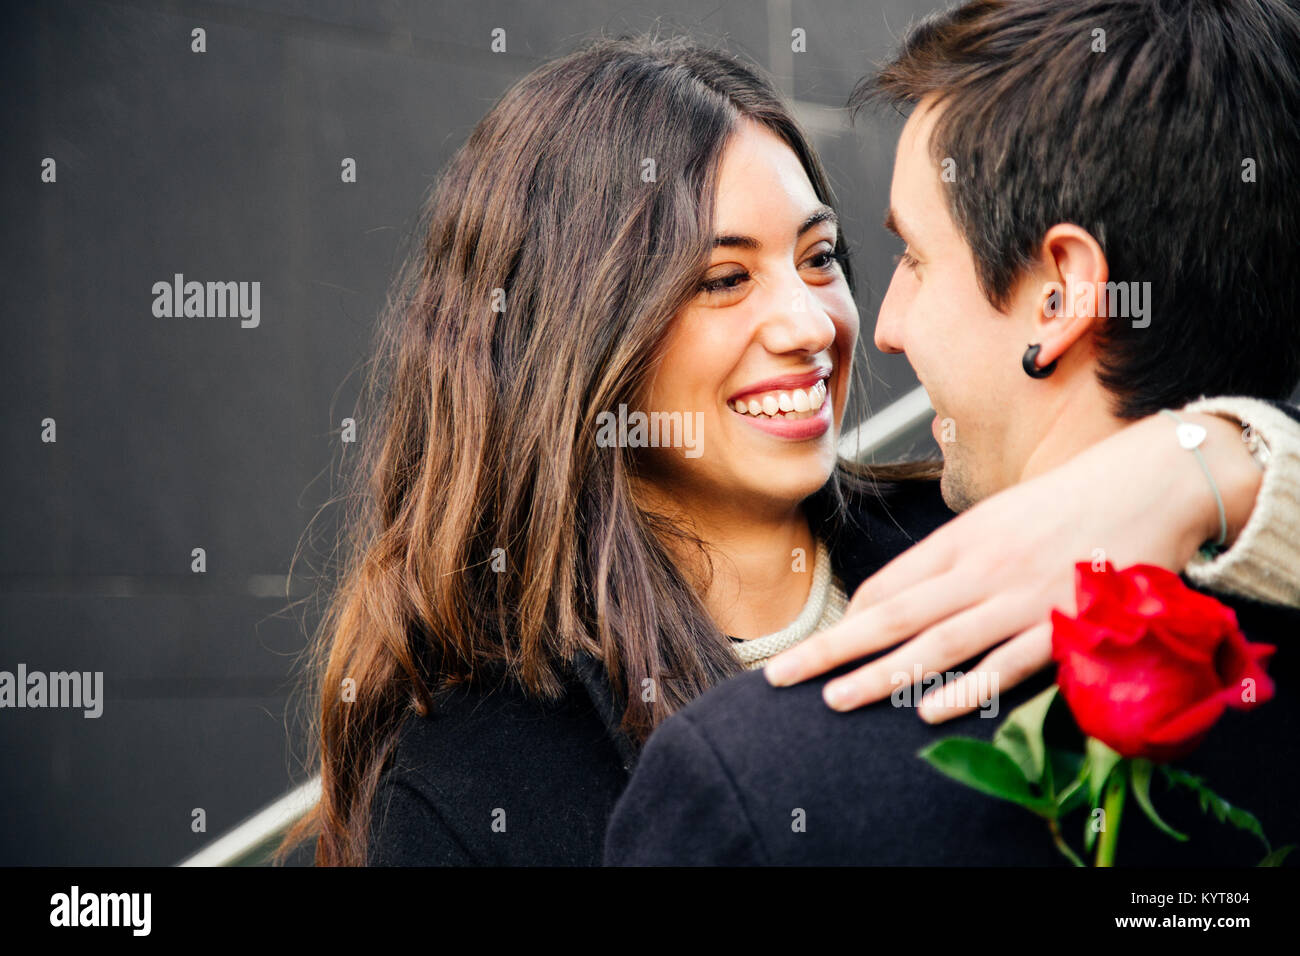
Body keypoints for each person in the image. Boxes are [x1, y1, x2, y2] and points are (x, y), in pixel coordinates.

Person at [274, 31, 1300, 868]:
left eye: (820, 256)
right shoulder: (469, 781)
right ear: (578, 339)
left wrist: (1210, 455)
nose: (814, 321)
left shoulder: (1006, 525)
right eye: (724, 279)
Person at [604, 0, 1300, 866]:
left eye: (915, 258)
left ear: (1062, 294)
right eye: (723, 277)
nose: (880, 323)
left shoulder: (760, 782)